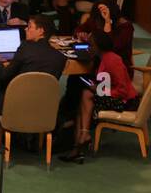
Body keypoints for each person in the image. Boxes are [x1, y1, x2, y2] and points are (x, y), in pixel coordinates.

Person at [60, 30, 139, 163]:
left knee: (85, 96)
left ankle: (81, 141)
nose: (88, 47)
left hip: (125, 101)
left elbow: (123, 90)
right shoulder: (101, 58)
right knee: (83, 101)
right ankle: (79, 143)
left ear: (97, 46)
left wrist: (99, 90)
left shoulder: (113, 60)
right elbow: (107, 82)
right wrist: (98, 87)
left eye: (90, 44)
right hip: (110, 95)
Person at [0, 14, 65, 110]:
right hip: (44, 107)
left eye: (29, 27)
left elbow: (4, 75)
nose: (25, 29)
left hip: (16, 104)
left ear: (41, 31)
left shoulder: (25, 48)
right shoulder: (60, 57)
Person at [74, 0, 134, 72]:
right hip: (98, 61)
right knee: (76, 74)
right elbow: (80, 29)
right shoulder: (97, 19)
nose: (97, 24)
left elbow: (109, 47)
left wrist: (107, 22)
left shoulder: (126, 27)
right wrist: (81, 33)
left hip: (117, 67)